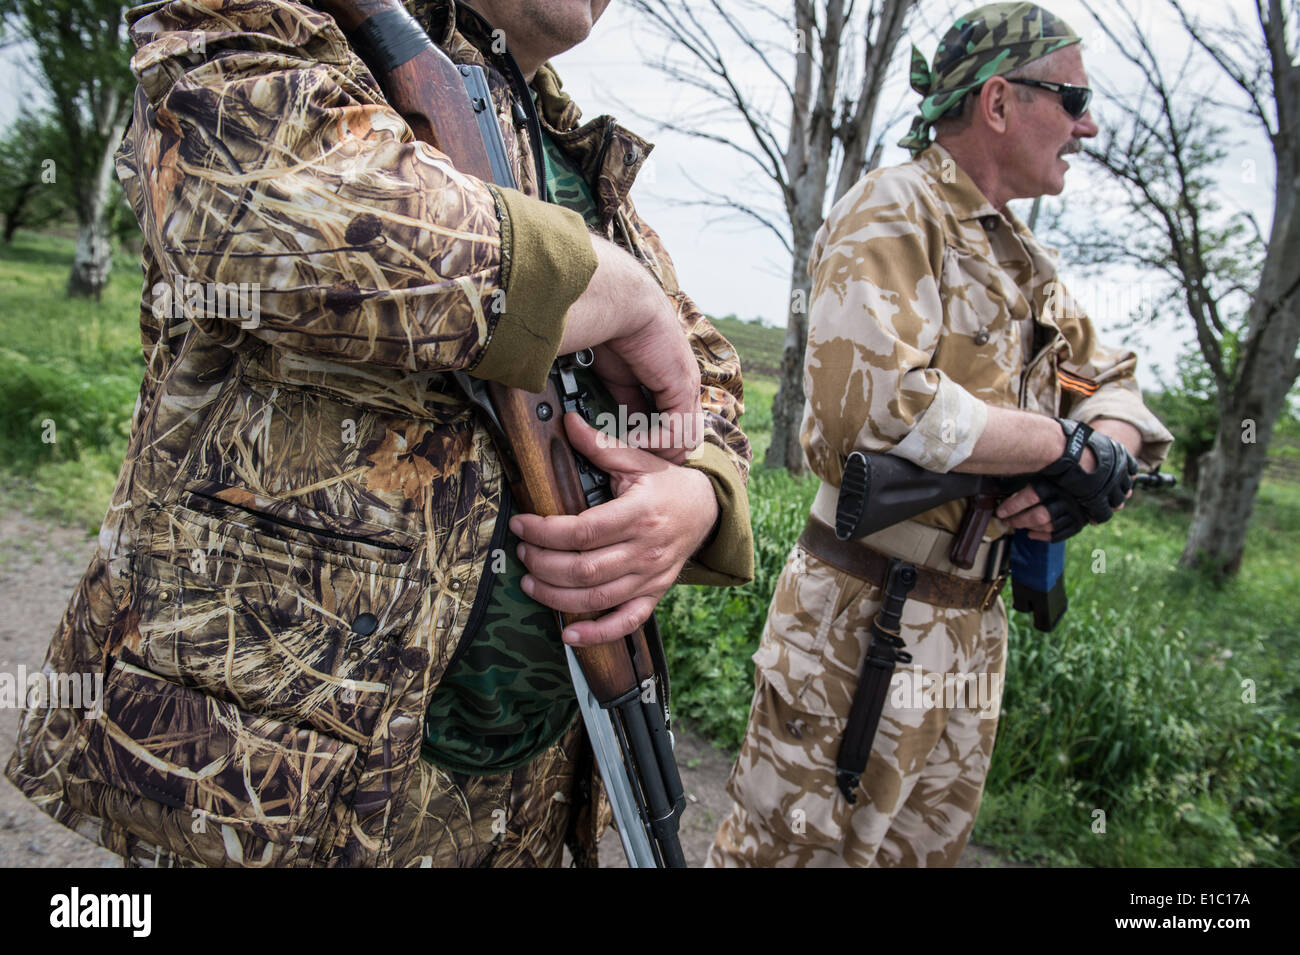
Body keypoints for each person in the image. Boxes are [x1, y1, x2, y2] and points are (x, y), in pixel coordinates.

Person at [5, 0, 754, 868]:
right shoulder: (287, 28)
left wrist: (696, 492)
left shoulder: (564, 146)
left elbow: (709, 375)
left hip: (526, 793)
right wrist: (602, 286)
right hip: (283, 791)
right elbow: (261, 202)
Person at [708, 2, 1173, 868]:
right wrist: (1055, 447)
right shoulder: (896, 207)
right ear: (1000, 103)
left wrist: (1096, 459)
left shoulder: (1021, 258)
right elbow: (879, 404)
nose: (1089, 123)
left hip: (969, 622)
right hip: (863, 618)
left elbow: (1115, 384)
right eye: (1073, 99)